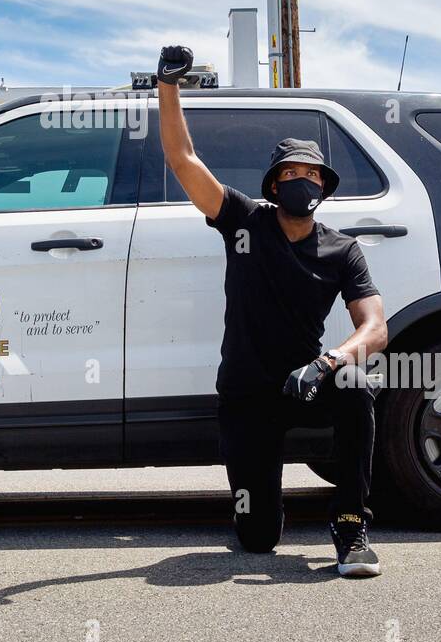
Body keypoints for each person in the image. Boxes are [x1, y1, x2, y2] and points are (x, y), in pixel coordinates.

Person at [155, 44, 390, 578]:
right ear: (274, 185)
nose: (300, 181)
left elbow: (374, 327)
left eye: (310, 173)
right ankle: (260, 507)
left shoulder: (341, 249)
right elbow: (182, 160)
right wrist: (168, 86)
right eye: (289, 174)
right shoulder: (243, 222)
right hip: (246, 394)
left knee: (356, 385)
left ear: (323, 186)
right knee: (258, 538)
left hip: (303, 382)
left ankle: (352, 528)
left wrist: (327, 364)